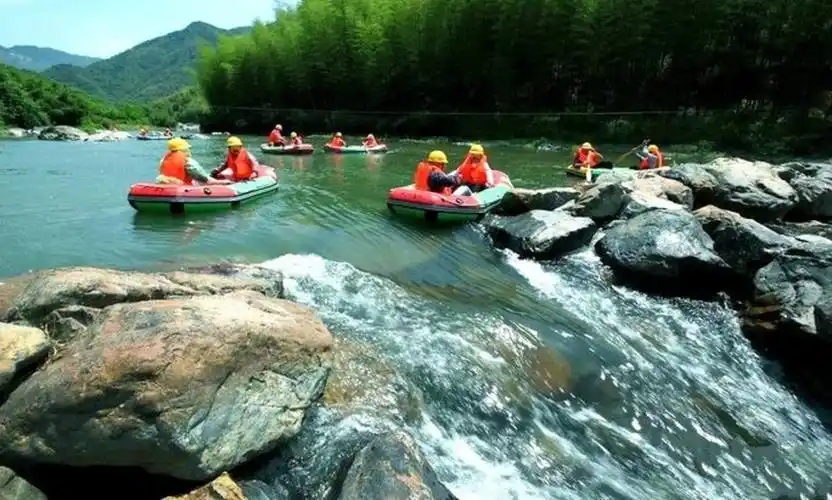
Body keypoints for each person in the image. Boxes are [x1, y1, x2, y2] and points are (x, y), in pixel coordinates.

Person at [157, 138, 230, 185]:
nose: (189, 151)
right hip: (183, 189)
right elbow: (206, 180)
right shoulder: (188, 163)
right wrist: (221, 182)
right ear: (183, 150)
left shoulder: (163, 160)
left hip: (167, 188)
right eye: (187, 149)